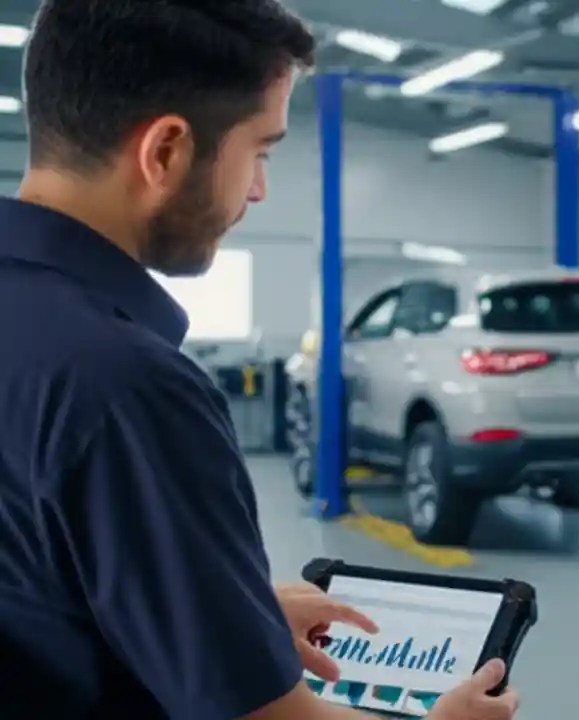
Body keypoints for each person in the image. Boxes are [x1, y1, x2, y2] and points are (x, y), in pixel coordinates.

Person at [0, 2, 519, 719]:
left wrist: (224, 615)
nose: (258, 189)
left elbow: (35, 588)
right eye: (260, 151)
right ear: (167, 151)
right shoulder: (125, 385)